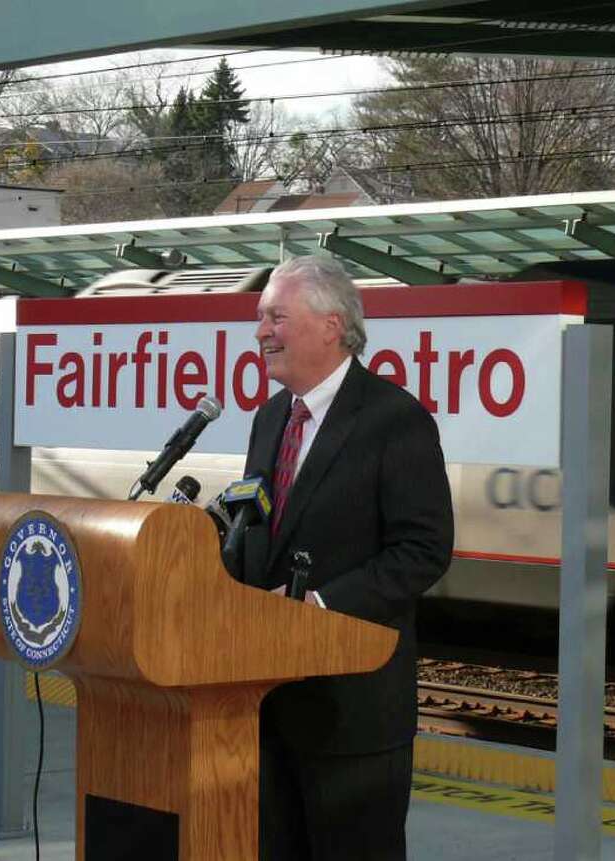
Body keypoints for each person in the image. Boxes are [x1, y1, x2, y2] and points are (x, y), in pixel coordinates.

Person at [240, 254, 454, 861]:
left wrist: (321, 605)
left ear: (332, 324)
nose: (261, 332)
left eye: (275, 316)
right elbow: (259, 532)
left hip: (353, 715)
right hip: (270, 706)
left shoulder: (395, 420)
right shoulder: (270, 418)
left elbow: (423, 550)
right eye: (261, 318)